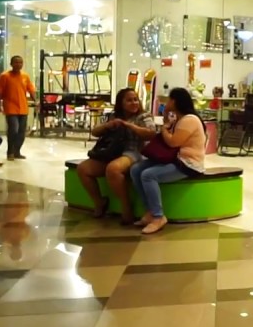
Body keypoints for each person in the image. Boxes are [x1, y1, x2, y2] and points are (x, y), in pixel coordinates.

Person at [130, 87, 206, 235]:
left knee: (148, 175)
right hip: (176, 159)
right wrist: (166, 116)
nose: (167, 102)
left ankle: (158, 217)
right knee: (136, 169)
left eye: (170, 99)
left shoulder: (190, 120)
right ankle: (150, 211)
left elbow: (173, 142)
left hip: (188, 164)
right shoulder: (179, 119)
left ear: (176, 101)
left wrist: (164, 128)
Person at [75, 88, 156, 224]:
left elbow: (151, 133)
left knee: (113, 168)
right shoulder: (114, 116)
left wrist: (129, 126)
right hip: (112, 151)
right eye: (129, 100)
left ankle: (126, 206)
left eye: (135, 99)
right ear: (121, 103)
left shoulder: (143, 116)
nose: (134, 103)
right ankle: (99, 202)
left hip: (134, 152)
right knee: (83, 169)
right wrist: (108, 125)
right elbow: (95, 132)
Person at [0, 55, 35, 160]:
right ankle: (10, 152)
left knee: (21, 132)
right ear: (11, 64)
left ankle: (17, 152)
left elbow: (31, 90)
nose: (18, 64)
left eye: (20, 62)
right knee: (13, 129)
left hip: (23, 108)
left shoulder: (25, 76)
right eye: (16, 62)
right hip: (10, 107)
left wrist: (36, 101)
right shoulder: (5, 76)